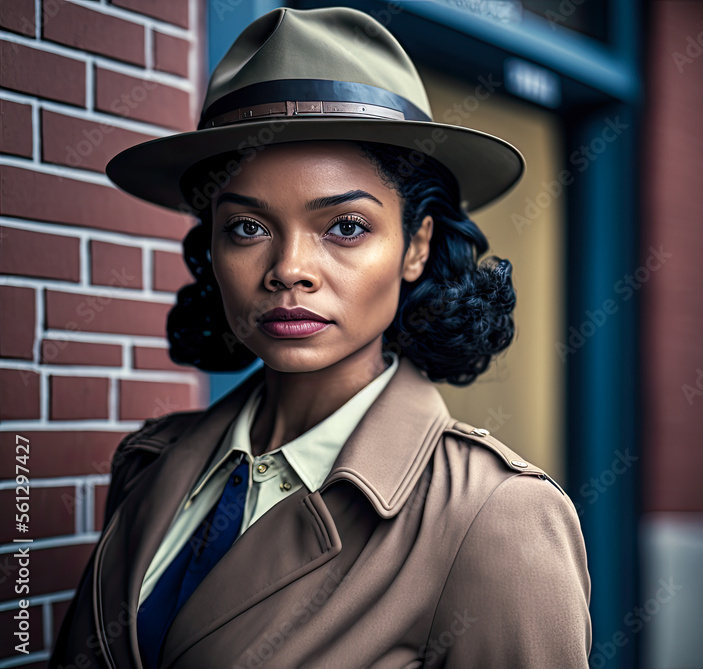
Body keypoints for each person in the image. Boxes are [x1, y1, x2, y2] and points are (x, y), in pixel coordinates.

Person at [48, 6, 591, 669]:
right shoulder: (148, 460)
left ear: (415, 246)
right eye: (247, 227)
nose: (289, 269)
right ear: (210, 248)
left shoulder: (496, 519)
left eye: (345, 226)